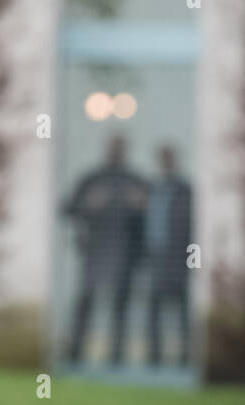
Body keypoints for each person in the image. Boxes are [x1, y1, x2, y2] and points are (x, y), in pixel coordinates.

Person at [64, 134, 149, 365]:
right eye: (113, 146)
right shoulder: (92, 179)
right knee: (86, 301)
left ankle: (116, 357)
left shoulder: (137, 180)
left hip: (126, 255)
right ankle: (74, 354)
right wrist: (87, 205)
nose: (117, 151)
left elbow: (155, 220)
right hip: (95, 253)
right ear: (106, 148)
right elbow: (67, 208)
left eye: (121, 147)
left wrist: (143, 207)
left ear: (126, 150)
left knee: (121, 305)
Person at [144, 144, 193, 366]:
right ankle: (154, 356)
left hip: (178, 257)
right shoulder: (151, 189)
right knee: (154, 307)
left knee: (182, 307)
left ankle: (186, 356)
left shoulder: (185, 190)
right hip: (155, 256)